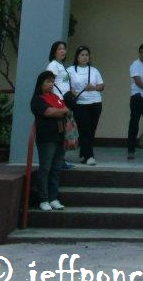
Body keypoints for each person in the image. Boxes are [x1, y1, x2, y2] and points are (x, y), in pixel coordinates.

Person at [30, 70, 70, 211]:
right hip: (46, 138)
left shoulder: (55, 97)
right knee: (45, 168)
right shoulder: (37, 99)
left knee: (56, 169)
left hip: (59, 137)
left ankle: (53, 198)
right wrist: (62, 111)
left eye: (52, 82)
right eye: (47, 82)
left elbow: (66, 109)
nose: (51, 84)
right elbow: (49, 112)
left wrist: (62, 110)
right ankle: (43, 199)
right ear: (41, 84)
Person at [67, 45, 105, 166]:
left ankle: (84, 152)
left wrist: (93, 87)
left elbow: (101, 86)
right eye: (82, 55)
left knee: (91, 130)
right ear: (77, 57)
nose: (84, 57)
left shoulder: (94, 70)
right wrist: (71, 90)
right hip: (80, 104)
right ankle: (89, 156)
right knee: (85, 129)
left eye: (86, 55)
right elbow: (65, 85)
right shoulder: (70, 70)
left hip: (95, 103)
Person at [46, 40, 74, 170]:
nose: (63, 51)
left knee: (65, 133)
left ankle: (61, 159)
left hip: (65, 102)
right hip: (59, 103)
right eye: (59, 49)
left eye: (64, 48)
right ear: (54, 51)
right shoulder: (53, 66)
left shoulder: (61, 65)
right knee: (60, 132)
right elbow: (50, 84)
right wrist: (55, 100)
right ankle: (58, 161)